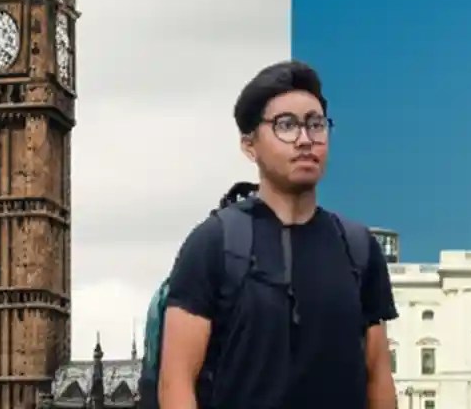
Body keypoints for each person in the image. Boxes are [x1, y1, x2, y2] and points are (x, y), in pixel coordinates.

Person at [158, 60, 399, 409]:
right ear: (249, 145)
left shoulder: (358, 249)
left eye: (316, 125)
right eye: (286, 125)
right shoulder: (214, 244)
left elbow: (378, 377)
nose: (305, 140)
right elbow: (176, 383)